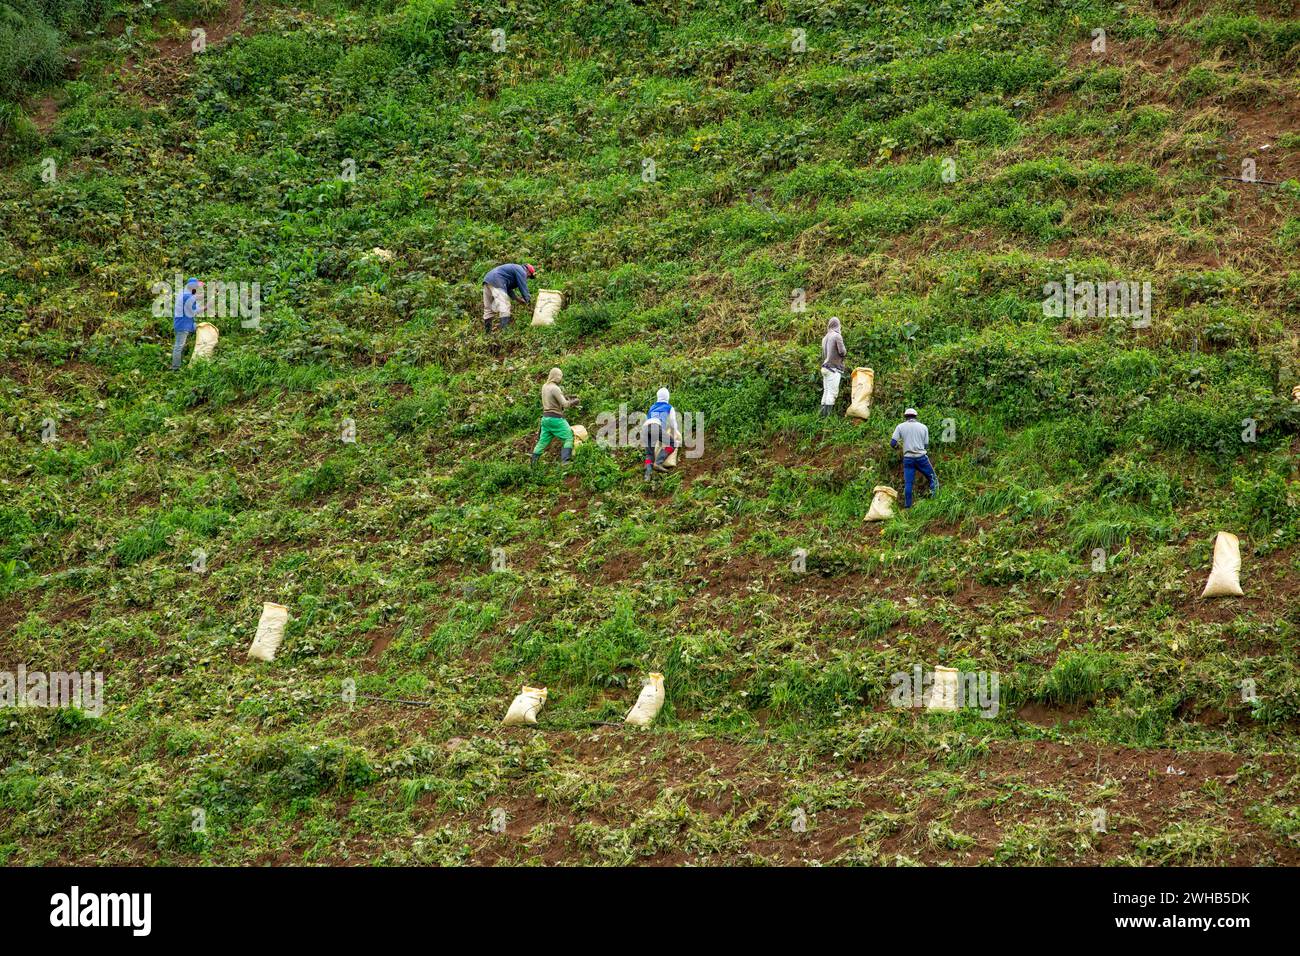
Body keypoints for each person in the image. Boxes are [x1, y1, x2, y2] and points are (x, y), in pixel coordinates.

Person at [890, 408, 938, 508]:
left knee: (908, 483)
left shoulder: (900, 427)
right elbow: (926, 446)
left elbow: (892, 443)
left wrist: (899, 447)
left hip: (908, 459)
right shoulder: (923, 427)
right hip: (921, 458)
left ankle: (908, 507)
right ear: (916, 416)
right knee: (933, 478)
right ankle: (935, 501)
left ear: (905, 417)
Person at [531, 367, 580, 464]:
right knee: (569, 437)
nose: (560, 378)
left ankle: (533, 464)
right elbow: (565, 404)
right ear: (556, 377)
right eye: (560, 376)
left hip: (545, 419)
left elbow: (553, 399)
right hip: (556, 419)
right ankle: (566, 462)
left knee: (542, 442)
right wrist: (575, 402)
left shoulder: (545, 386)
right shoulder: (555, 388)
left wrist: (566, 397)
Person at [482, 263, 536, 333]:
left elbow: (508, 289)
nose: (527, 278)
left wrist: (518, 299)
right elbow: (523, 288)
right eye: (529, 276)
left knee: (488, 309)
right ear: (528, 272)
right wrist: (529, 302)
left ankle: (488, 334)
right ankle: (504, 332)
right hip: (498, 281)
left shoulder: (513, 269)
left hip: (487, 280)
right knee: (505, 306)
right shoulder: (521, 271)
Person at [642, 387, 680, 481]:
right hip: (655, 427)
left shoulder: (652, 406)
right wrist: (676, 431)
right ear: (667, 397)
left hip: (645, 428)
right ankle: (658, 463)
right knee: (673, 443)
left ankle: (647, 475)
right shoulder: (669, 407)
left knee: (649, 454)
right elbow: (672, 422)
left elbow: (649, 419)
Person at [170, 278, 203, 371]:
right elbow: (194, 312)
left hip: (187, 323)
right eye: (196, 287)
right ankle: (175, 368)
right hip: (183, 324)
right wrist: (206, 308)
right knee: (178, 346)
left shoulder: (184, 295)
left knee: (199, 327)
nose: (197, 289)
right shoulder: (187, 297)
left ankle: (185, 358)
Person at [820, 317, 845, 416]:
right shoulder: (837, 336)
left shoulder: (825, 337)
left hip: (825, 367)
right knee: (832, 393)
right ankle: (827, 418)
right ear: (838, 325)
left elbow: (823, 354)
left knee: (826, 391)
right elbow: (842, 351)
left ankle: (821, 416)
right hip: (833, 368)